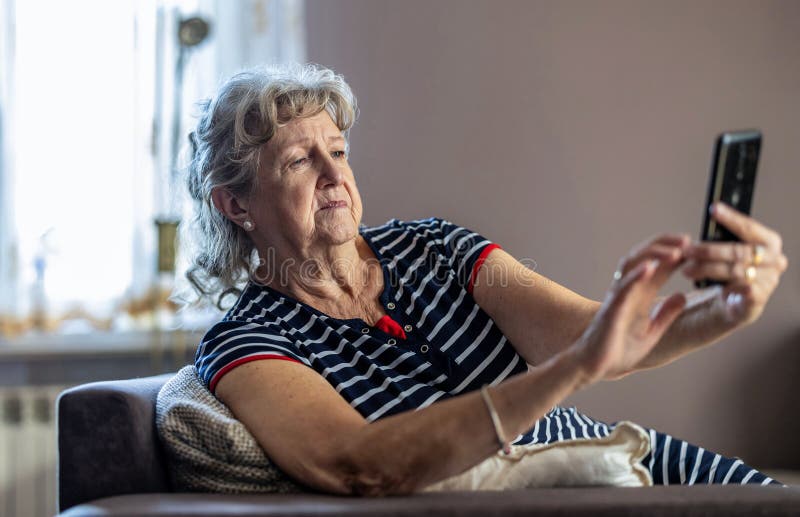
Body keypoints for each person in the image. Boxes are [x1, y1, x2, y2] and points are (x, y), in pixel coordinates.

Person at [186, 63, 788, 495]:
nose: (332, 174)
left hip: (611, 461)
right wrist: (572, 371)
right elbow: (357, 464)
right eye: (298, 160)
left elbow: (592, 336)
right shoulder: (246, 342)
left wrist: (726, 311)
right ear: (236, 206)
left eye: (338, 152)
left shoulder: (435, 245)